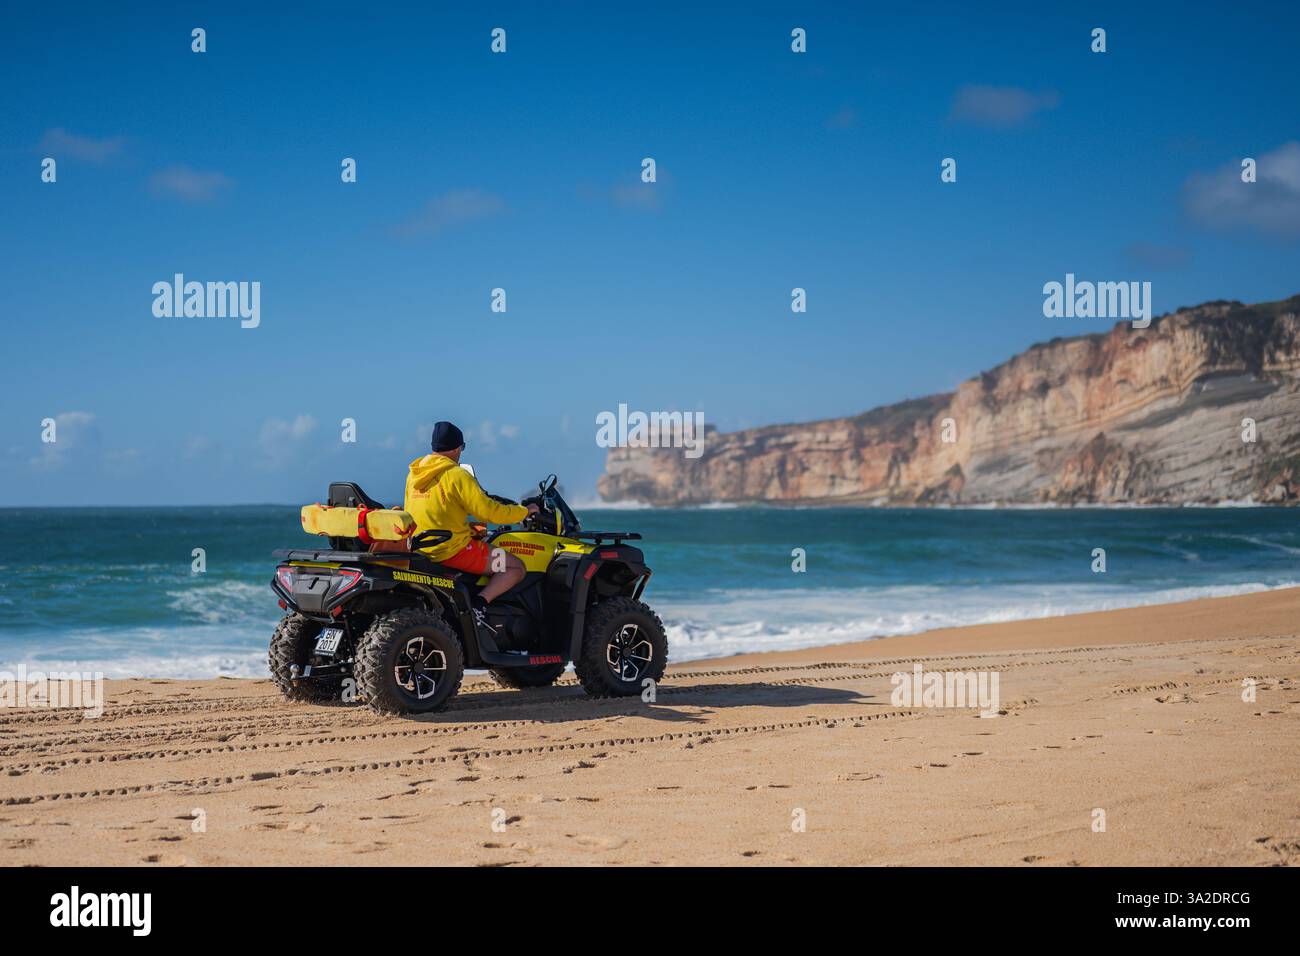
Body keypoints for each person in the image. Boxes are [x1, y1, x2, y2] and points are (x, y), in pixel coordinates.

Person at [403, 422, 539, 637]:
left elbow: (428, 513)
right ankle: (479, 605)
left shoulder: (414, 474)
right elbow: (489, 512)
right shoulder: (457, 475)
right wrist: (523, 512)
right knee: (515, 567)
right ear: (458, 448)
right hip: (452, 551)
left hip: (421, 547)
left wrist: (466, 527)